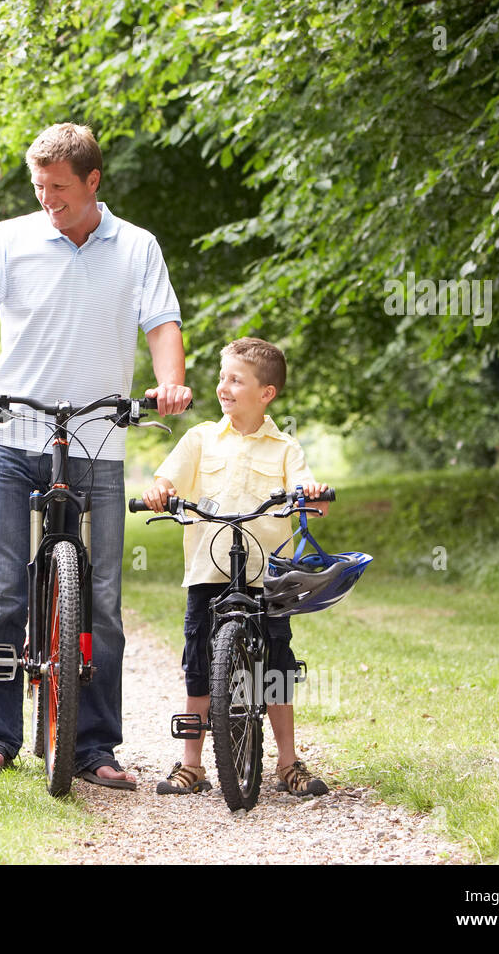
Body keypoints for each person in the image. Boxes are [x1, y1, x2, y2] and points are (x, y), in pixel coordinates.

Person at [0, 123, 193, 788]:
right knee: (0, 594)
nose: (46, 198)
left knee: (102, 602)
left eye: (58, 187)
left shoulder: (136, 246)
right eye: (38, 186)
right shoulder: (11, 240)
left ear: (92, 182)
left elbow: (163, 324)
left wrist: (170, 383)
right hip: (12, 439)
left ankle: (94, 746)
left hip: (97, 441)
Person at [140, 336, 332, 796]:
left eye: (235, 379)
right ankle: (192, 763)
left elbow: (303, 485)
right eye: (222, 377)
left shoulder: (285, 447)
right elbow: (167, 476)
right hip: (209, 574)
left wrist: (312, 494)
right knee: (199, 667)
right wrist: (159, 491)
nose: (223, 387)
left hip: (268, 575)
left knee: (278, 665)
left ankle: (288, 762)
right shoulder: (200, 438)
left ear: (266, 393)